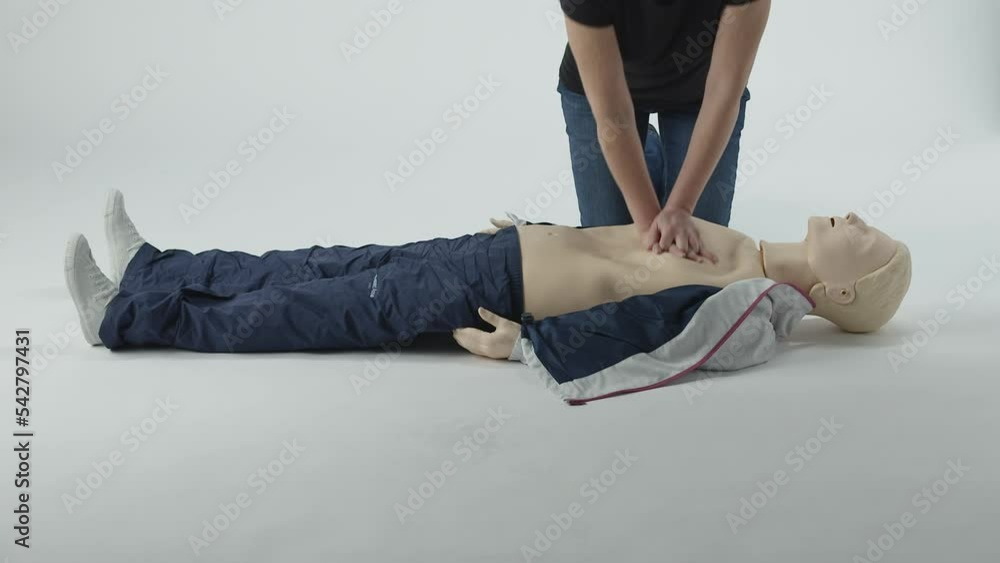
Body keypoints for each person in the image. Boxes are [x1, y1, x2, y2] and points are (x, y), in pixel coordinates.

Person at [65, 190, 911, 362]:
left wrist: (529, 346)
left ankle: (123, 318)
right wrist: (541, 228)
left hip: (495, 295)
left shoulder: (751, 313)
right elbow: (622, 255)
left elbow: (641, 337)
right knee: (325, 262)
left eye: (866, 240)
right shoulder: (752, 249)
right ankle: (152, 268)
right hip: (502, 253)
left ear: (838, 294)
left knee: (313, 307)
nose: (854, 216)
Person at [558, 0, 770, 263]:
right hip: (603, 96)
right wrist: (650, 225)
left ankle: (647, 153)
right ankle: (647, 153)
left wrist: (680, 209)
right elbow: (613, 116)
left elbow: (723, 94)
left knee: (699, 247)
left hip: (699, 96)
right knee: (613, 247)